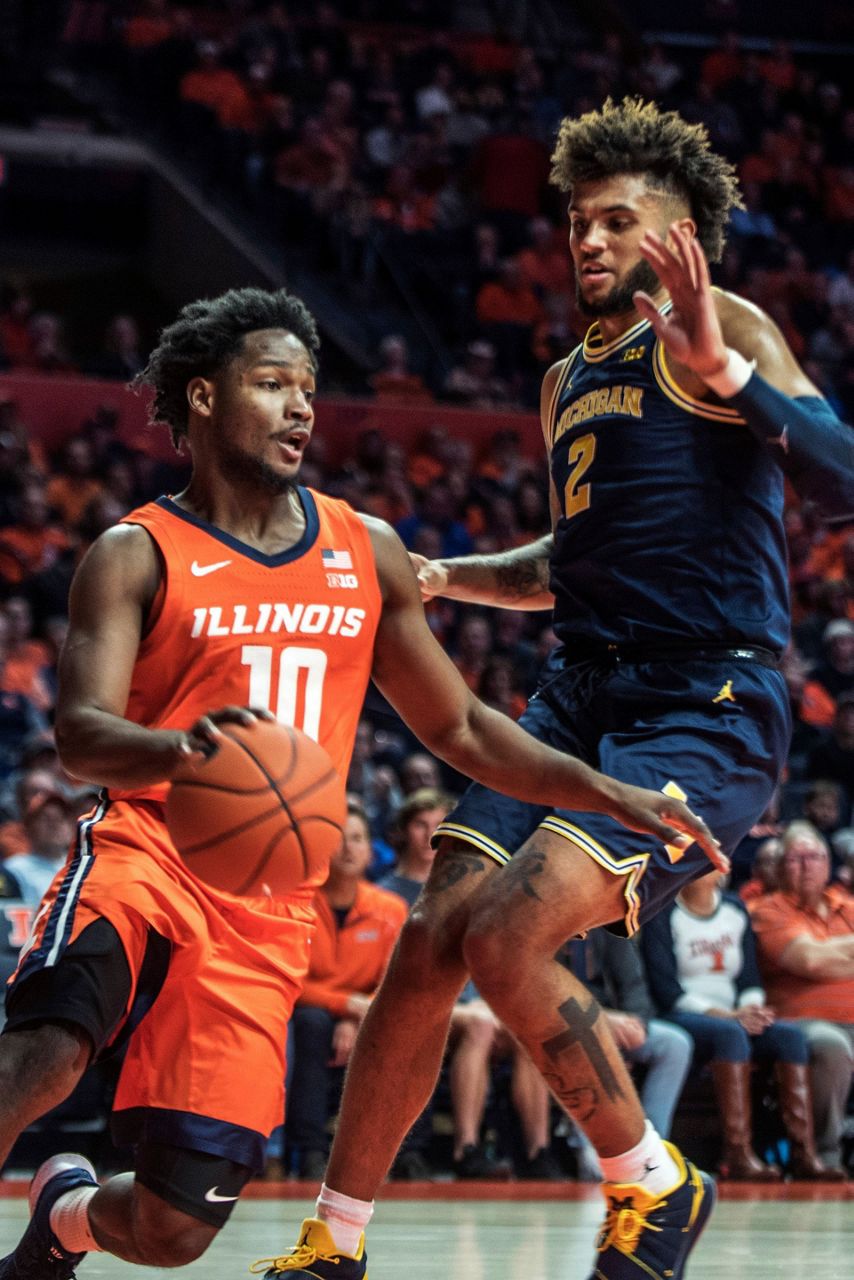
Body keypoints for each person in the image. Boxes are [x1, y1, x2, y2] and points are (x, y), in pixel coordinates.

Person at [0, 284, 708, 1280]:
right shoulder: (134, 550)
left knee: (171, 1228)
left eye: (307, 387)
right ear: (201, 397)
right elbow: (80, 733)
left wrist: (605, 789)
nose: (300, 408)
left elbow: (461, 725)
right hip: (148, 848)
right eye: (271, 383)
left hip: (267, 905)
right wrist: (184, 751)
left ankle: (64, 1214)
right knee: (51, 1046)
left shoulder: (362, 548)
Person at [268, 97, 854, 1280]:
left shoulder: (724, 327)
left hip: (705, 704)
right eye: (576, 220)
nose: (585, 239)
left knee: (509, 928)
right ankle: (333, 1238)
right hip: (576, 694)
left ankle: (652, 1179)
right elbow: (561, 564)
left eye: (615, 221)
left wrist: (726, 369)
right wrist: (446, 579)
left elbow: (840, 475)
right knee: (430, 938)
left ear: (679, 234)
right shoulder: (561, 380)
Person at [641, 868, 840, 1180]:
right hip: (685, 1014)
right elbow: (667, 990)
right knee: (730, 1035)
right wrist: (728, 1017)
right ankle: (737, 1154)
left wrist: (751, 1010)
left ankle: (804, 1155)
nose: (713, 867)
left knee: (790, 1038)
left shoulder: (734, 910)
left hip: (736, 1016)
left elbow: (749, 977)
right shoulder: (663, 913)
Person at [286, 804, 407, 1180]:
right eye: (337, 838)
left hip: (368, 1011)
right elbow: (290, 980)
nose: (348, 848)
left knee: (403, 1029)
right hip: (310, 1010)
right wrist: (345, 1005)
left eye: (357, 838)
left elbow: (395, 983)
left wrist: (357, 1017)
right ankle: (309, 1151)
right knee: (312, 1023)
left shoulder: (391, 908)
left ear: (371, 850)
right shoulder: (297, 904)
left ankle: (390, 1153)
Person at [749, 820, 854, 1174]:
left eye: (815, 856)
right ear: (780, 866)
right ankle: (825, 1154)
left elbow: (817, 956)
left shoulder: (847, 906)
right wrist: (831, 954)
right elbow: (807, 959)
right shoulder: (769, 910)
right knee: (830, 1045)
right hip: (800, 1021)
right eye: (797, 857)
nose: (807, 864)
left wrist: (826, 953)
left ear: (828, 863)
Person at [556, 929, 694, 1181]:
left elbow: (633, 983)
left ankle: (651, 1151)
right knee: (583, 1041)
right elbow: (545, 993)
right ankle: (591, 1152)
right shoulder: (541, 923)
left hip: (616, 1020)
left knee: (675, 1044)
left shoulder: (607, 923)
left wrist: (636, 1022)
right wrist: (599, 1019)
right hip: (564, 1023)